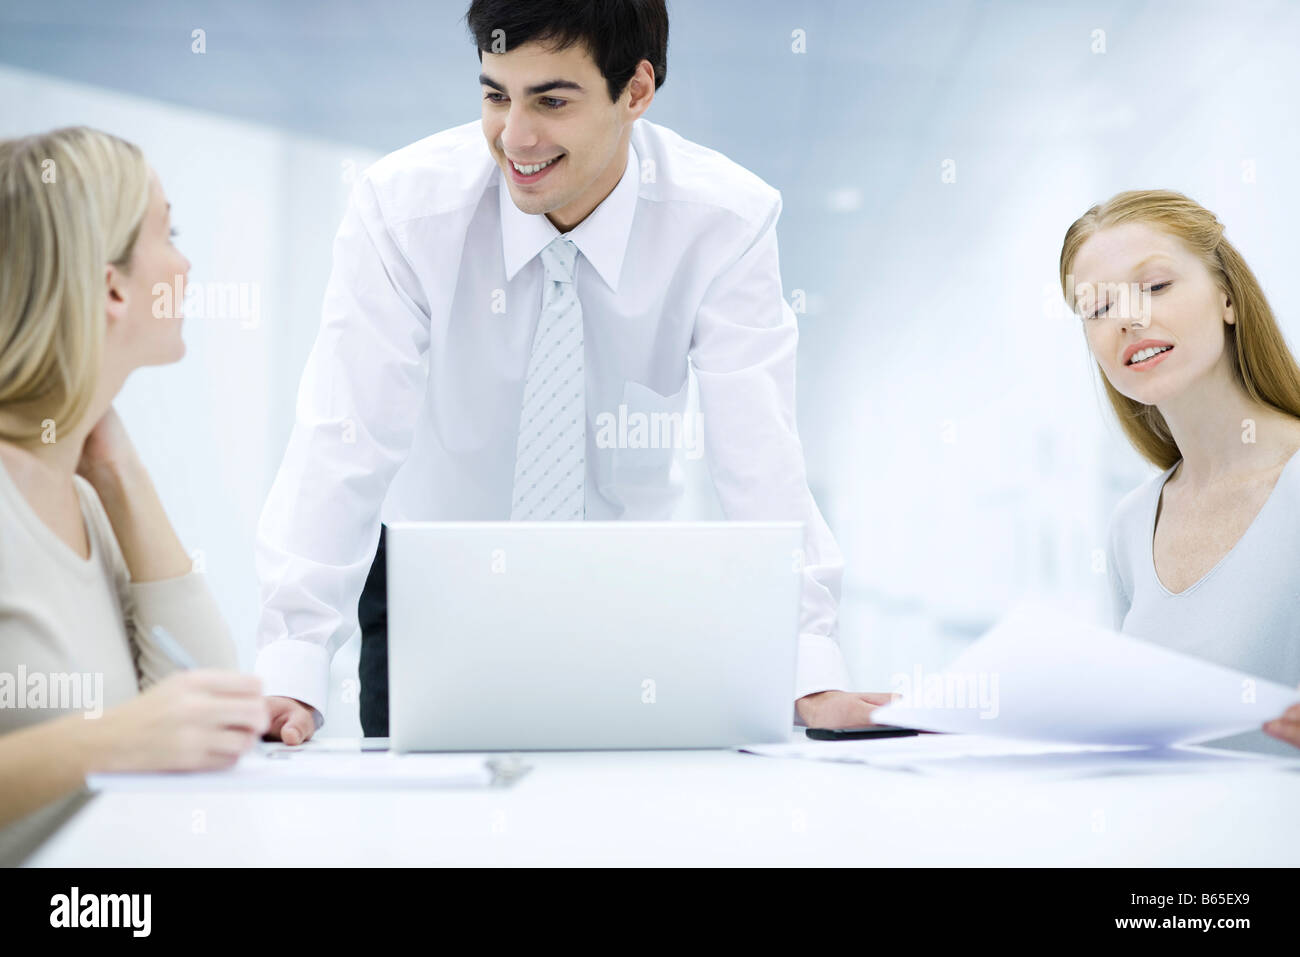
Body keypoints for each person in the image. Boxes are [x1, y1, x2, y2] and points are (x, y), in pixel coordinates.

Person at [256, 0, 890, 744]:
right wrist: (289, 671)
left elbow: (761, 456)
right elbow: (344, 439)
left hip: (625, 595)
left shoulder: (723, 222)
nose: (515, 138)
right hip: (432, 597)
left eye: (552, 100)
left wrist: (808, 667)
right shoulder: (402, 212)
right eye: (496, 94)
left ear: (637, 91)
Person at [0, 127, 268, 852]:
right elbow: (153, 729)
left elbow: (203, 701)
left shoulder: (85, 491)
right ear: (112, 285)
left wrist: (123, 474)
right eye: (167, 232)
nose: (184, 263)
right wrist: (114, 739)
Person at [1059, 188, 1300, 753]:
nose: (1128, 319)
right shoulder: (1131, 524)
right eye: (1097, 308)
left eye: (1156, 286)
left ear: (1227, 299)